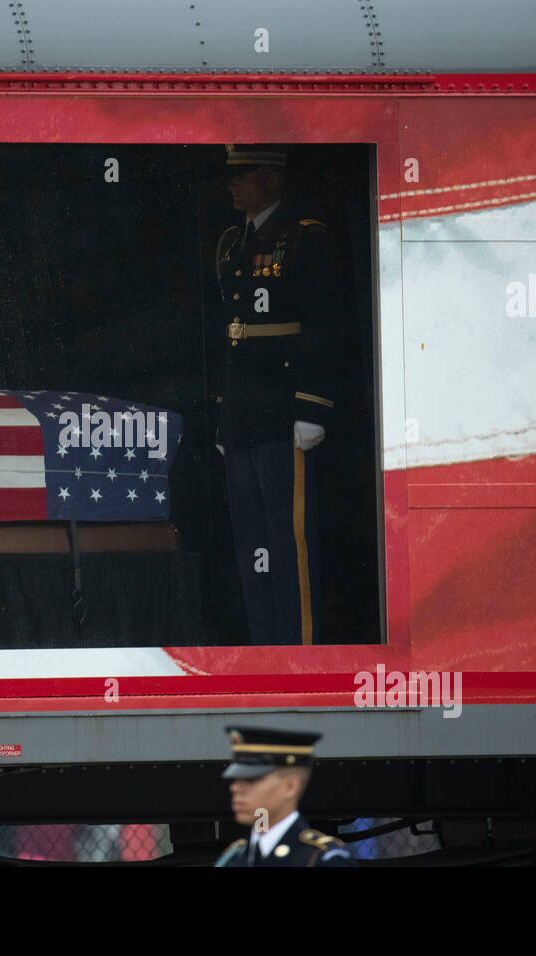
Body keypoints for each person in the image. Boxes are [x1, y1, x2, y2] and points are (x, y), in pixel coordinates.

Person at [214, 145, 338, 646]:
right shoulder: (228, 243)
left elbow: (325, 326)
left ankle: (301, 649)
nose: (234, 184)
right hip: (244, 411)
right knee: (251, 541)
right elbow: (232, 334)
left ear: (272, 179)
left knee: (290, 542)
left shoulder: (303, 237)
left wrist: (312, 405)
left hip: (286, 407)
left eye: (245, 174)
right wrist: (226, 414)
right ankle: (267, 649)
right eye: (233, 175)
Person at [215, 725, 353, 867]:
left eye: (252, 779)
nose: (235, 788)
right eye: (237, 779)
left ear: (290, 786)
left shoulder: (322, 859)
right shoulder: (234, 858)